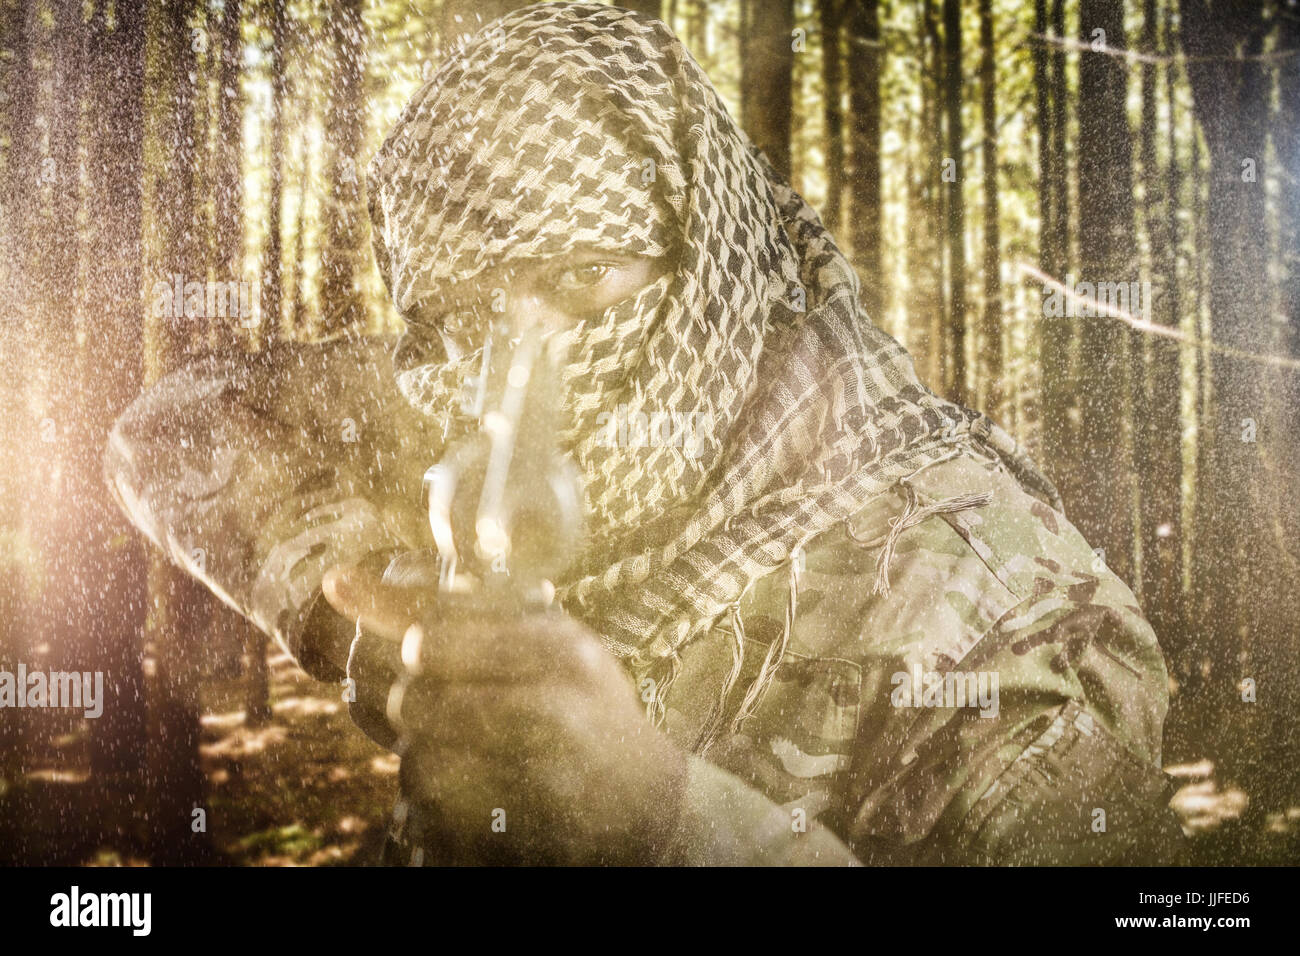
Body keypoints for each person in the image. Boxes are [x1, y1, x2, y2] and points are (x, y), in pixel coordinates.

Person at [108, 1, 1185, 865]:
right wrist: (411, 645)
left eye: (581, 275)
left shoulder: (998, 595)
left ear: (704, 243)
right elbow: (168, 435)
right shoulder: (466, 454)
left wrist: (665, 820)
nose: (526, 354)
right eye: (472, 307)